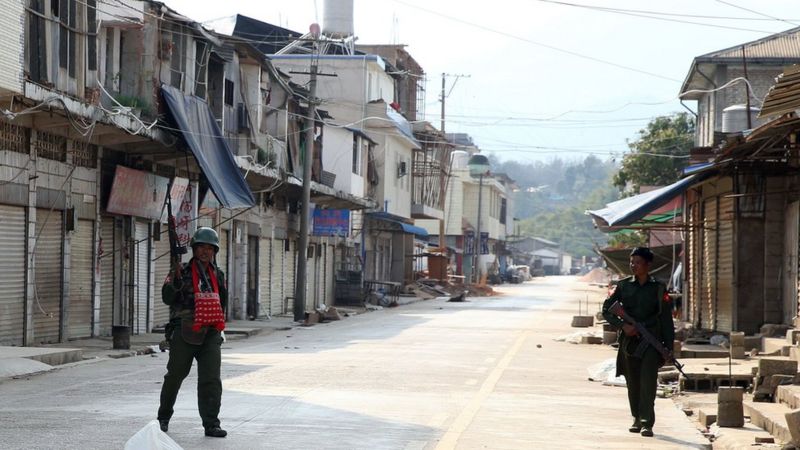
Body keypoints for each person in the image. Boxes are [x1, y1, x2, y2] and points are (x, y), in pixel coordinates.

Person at [157, 227, 228, 438]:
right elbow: (167, 299)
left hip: (210, 333)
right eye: (201, 247)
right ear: (194, 249)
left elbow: (221, 301)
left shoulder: (218, 274)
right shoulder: (181, 271)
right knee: (175, 376)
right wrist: (175, 283)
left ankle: (211, 424)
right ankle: (163, 418)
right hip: (185, 330)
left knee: (211, 379)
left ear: (214, 251)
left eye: (210, 248)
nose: (205, 252)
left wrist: (219, 328)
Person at [602, 247, 674, 438]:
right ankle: (636, 417)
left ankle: (646, 422)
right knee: (632, 381)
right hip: (630, 342)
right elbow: (607, 309)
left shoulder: (658, 288)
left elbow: (666, 319)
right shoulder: (623, 286)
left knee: (648, 382)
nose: (633, 266)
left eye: (638, 262)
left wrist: (668, 347)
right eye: (632, 262)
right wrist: (623, 325)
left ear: (648, 265)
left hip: (651, 340)